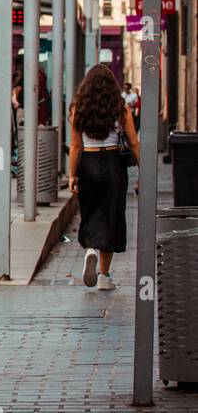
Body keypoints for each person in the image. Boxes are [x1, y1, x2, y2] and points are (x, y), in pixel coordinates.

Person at [69, 63, 141, 291]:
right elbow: (134, 142)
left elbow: (75, 145)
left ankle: (90, 249)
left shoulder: (77, 108)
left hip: (88, 164)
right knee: (111, 217)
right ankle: (104, 276)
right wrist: (144, 169)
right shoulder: (120, 108)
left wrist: (72, 174)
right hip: (113, 165)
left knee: (91, 213)